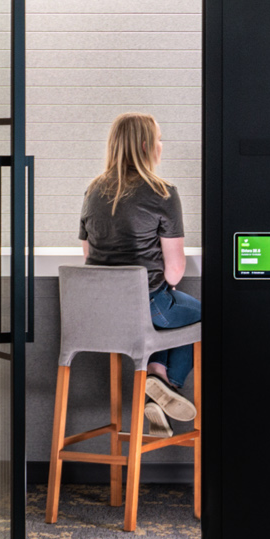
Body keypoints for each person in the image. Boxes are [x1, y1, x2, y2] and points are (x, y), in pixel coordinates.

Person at [79, 111, 197, 437]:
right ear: (145, 145)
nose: (162, 145)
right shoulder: (162, 192)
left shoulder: (92, 191)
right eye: (158, 139)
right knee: (200, 316)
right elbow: (174, 272)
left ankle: (157, 380)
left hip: (99, 313)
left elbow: (88, 256)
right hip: (147, 305)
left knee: (164, 319)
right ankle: (163, 381)